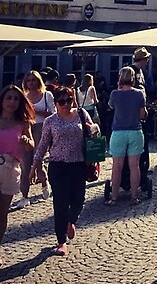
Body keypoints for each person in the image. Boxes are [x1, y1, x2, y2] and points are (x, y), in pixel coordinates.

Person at [31, 85, 97, 256]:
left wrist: (94, 130)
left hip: (78, 165)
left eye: (69, 100)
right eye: (62, 101)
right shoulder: (50, 121)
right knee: (60, 203)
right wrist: (34, 167)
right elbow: (43, 145)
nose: (66, 104)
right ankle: (61, 241)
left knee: (78, 200)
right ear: (56, 103)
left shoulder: (81, 114)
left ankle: (71, 221)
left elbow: (93, 133)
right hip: (58, 166)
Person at [12, 70, 53, 209]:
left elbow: (53, 113)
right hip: (27, 128)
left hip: (42, 128)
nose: (31, 83)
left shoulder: (46, 95)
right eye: (28, 80)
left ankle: (44, 182)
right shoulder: (24, 96)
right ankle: (24, 196)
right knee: (25, 164)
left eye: (33, 80)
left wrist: (36, 111)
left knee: (38, 160)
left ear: (38, 81)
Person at [107, 66, 147, 205]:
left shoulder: (115, 94)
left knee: (117, 166)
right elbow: (142, 114)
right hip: (135, 131)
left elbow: (111, 106)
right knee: (134, 166)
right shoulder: (139, 94)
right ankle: (134, 196)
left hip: (118, 131)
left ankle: (114, 198)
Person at [0, 85, 35, 244]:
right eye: (9, 98)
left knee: (2, 213)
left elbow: (31, 145)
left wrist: (27, 142)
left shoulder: (23, 123)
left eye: (16, 99)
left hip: (10, 168)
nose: (12, 102)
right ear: (2, 100)